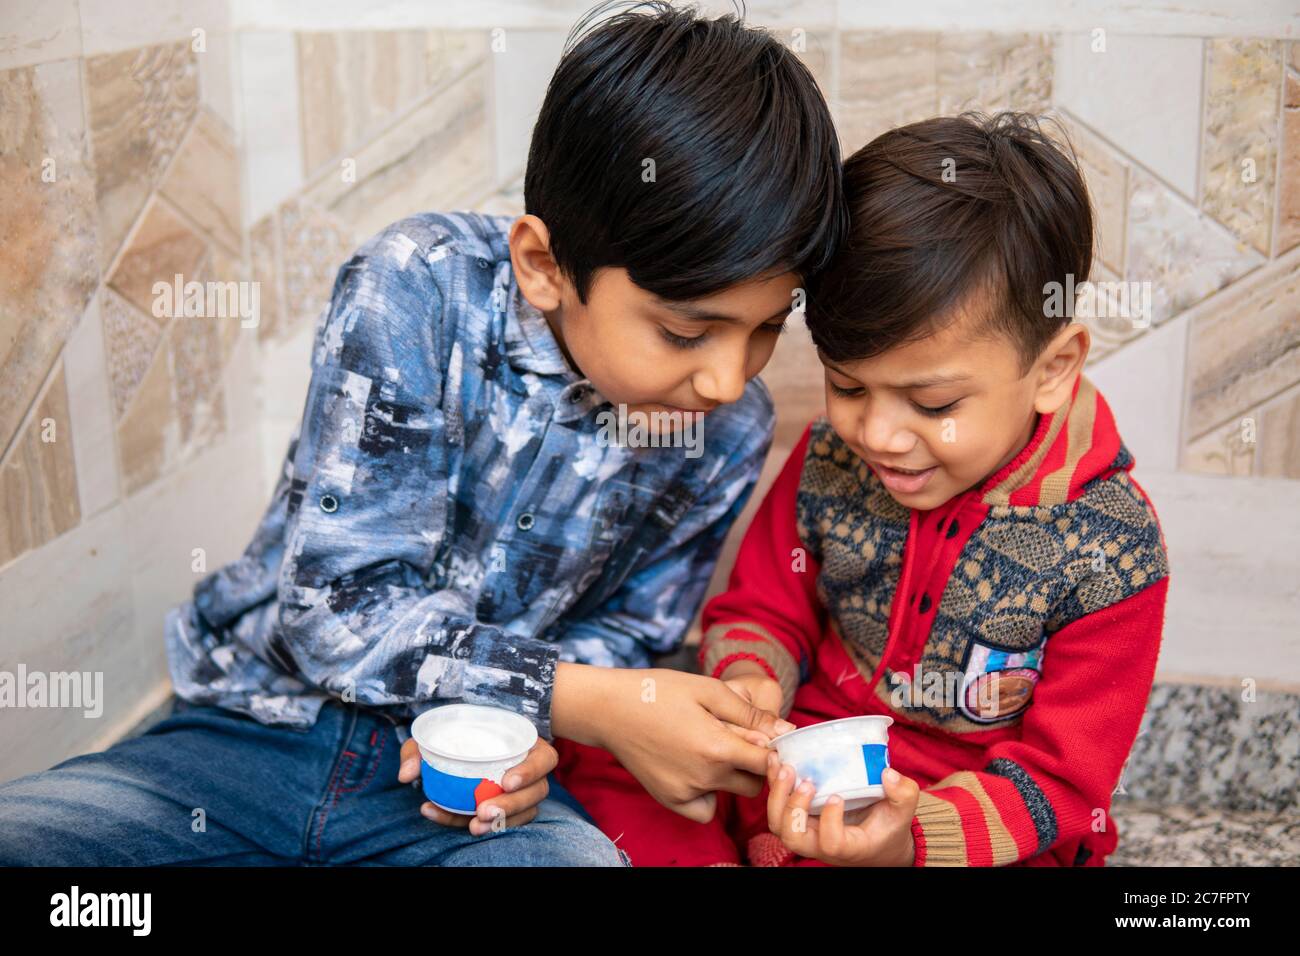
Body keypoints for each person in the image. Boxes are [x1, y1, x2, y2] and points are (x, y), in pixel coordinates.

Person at [0, 1, 846, 866]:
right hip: (256, 731)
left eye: (769, 327)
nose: (729, 379)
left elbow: (630, 634)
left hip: (476, 790)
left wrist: (535, 730)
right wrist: (587, 702)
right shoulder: (417, 288)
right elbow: (333, 608)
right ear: (545, 267)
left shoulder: (727, 428)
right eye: (683, 331)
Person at [554, 112, 1170, 867]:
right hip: (799, 772)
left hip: (965, 827)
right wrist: (753, 690)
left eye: (933, 405)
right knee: (605, 759)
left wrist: (905, 844)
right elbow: (760, 610)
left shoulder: (1111, 549)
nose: (877, 433)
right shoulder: (832, 458)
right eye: (847, 384)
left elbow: (1062, 785)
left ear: (1052, 368)